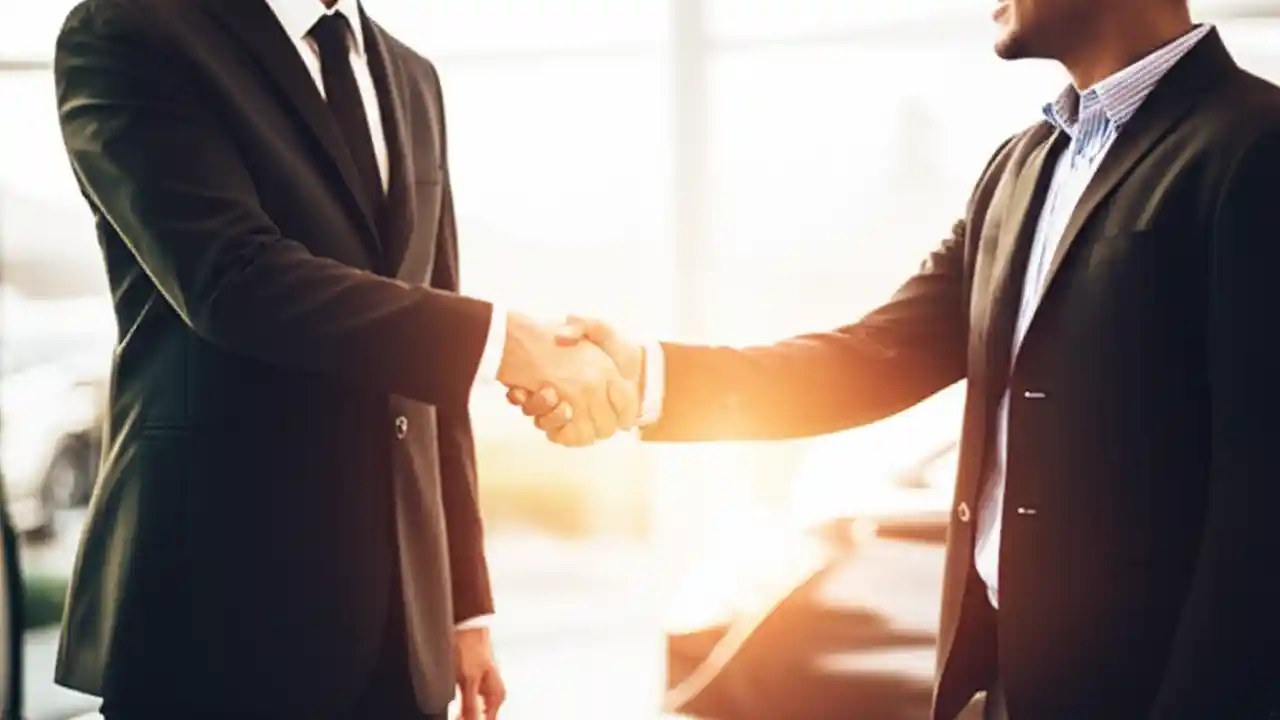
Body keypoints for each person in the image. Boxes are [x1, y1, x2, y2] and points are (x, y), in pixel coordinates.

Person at [514, 1, 1280, 717]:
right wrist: (646, 375)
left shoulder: (1255, 148)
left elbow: (1260, 503)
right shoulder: (1019, 169)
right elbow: (873, 356)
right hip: (1008, 682)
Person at [52, 0, 637, 718]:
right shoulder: (130, 30)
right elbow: (233, 280)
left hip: (402, 640)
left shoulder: (412, 76)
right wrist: (508, 342)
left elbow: (432, 357)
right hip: (215, 619)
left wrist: (462, 607)